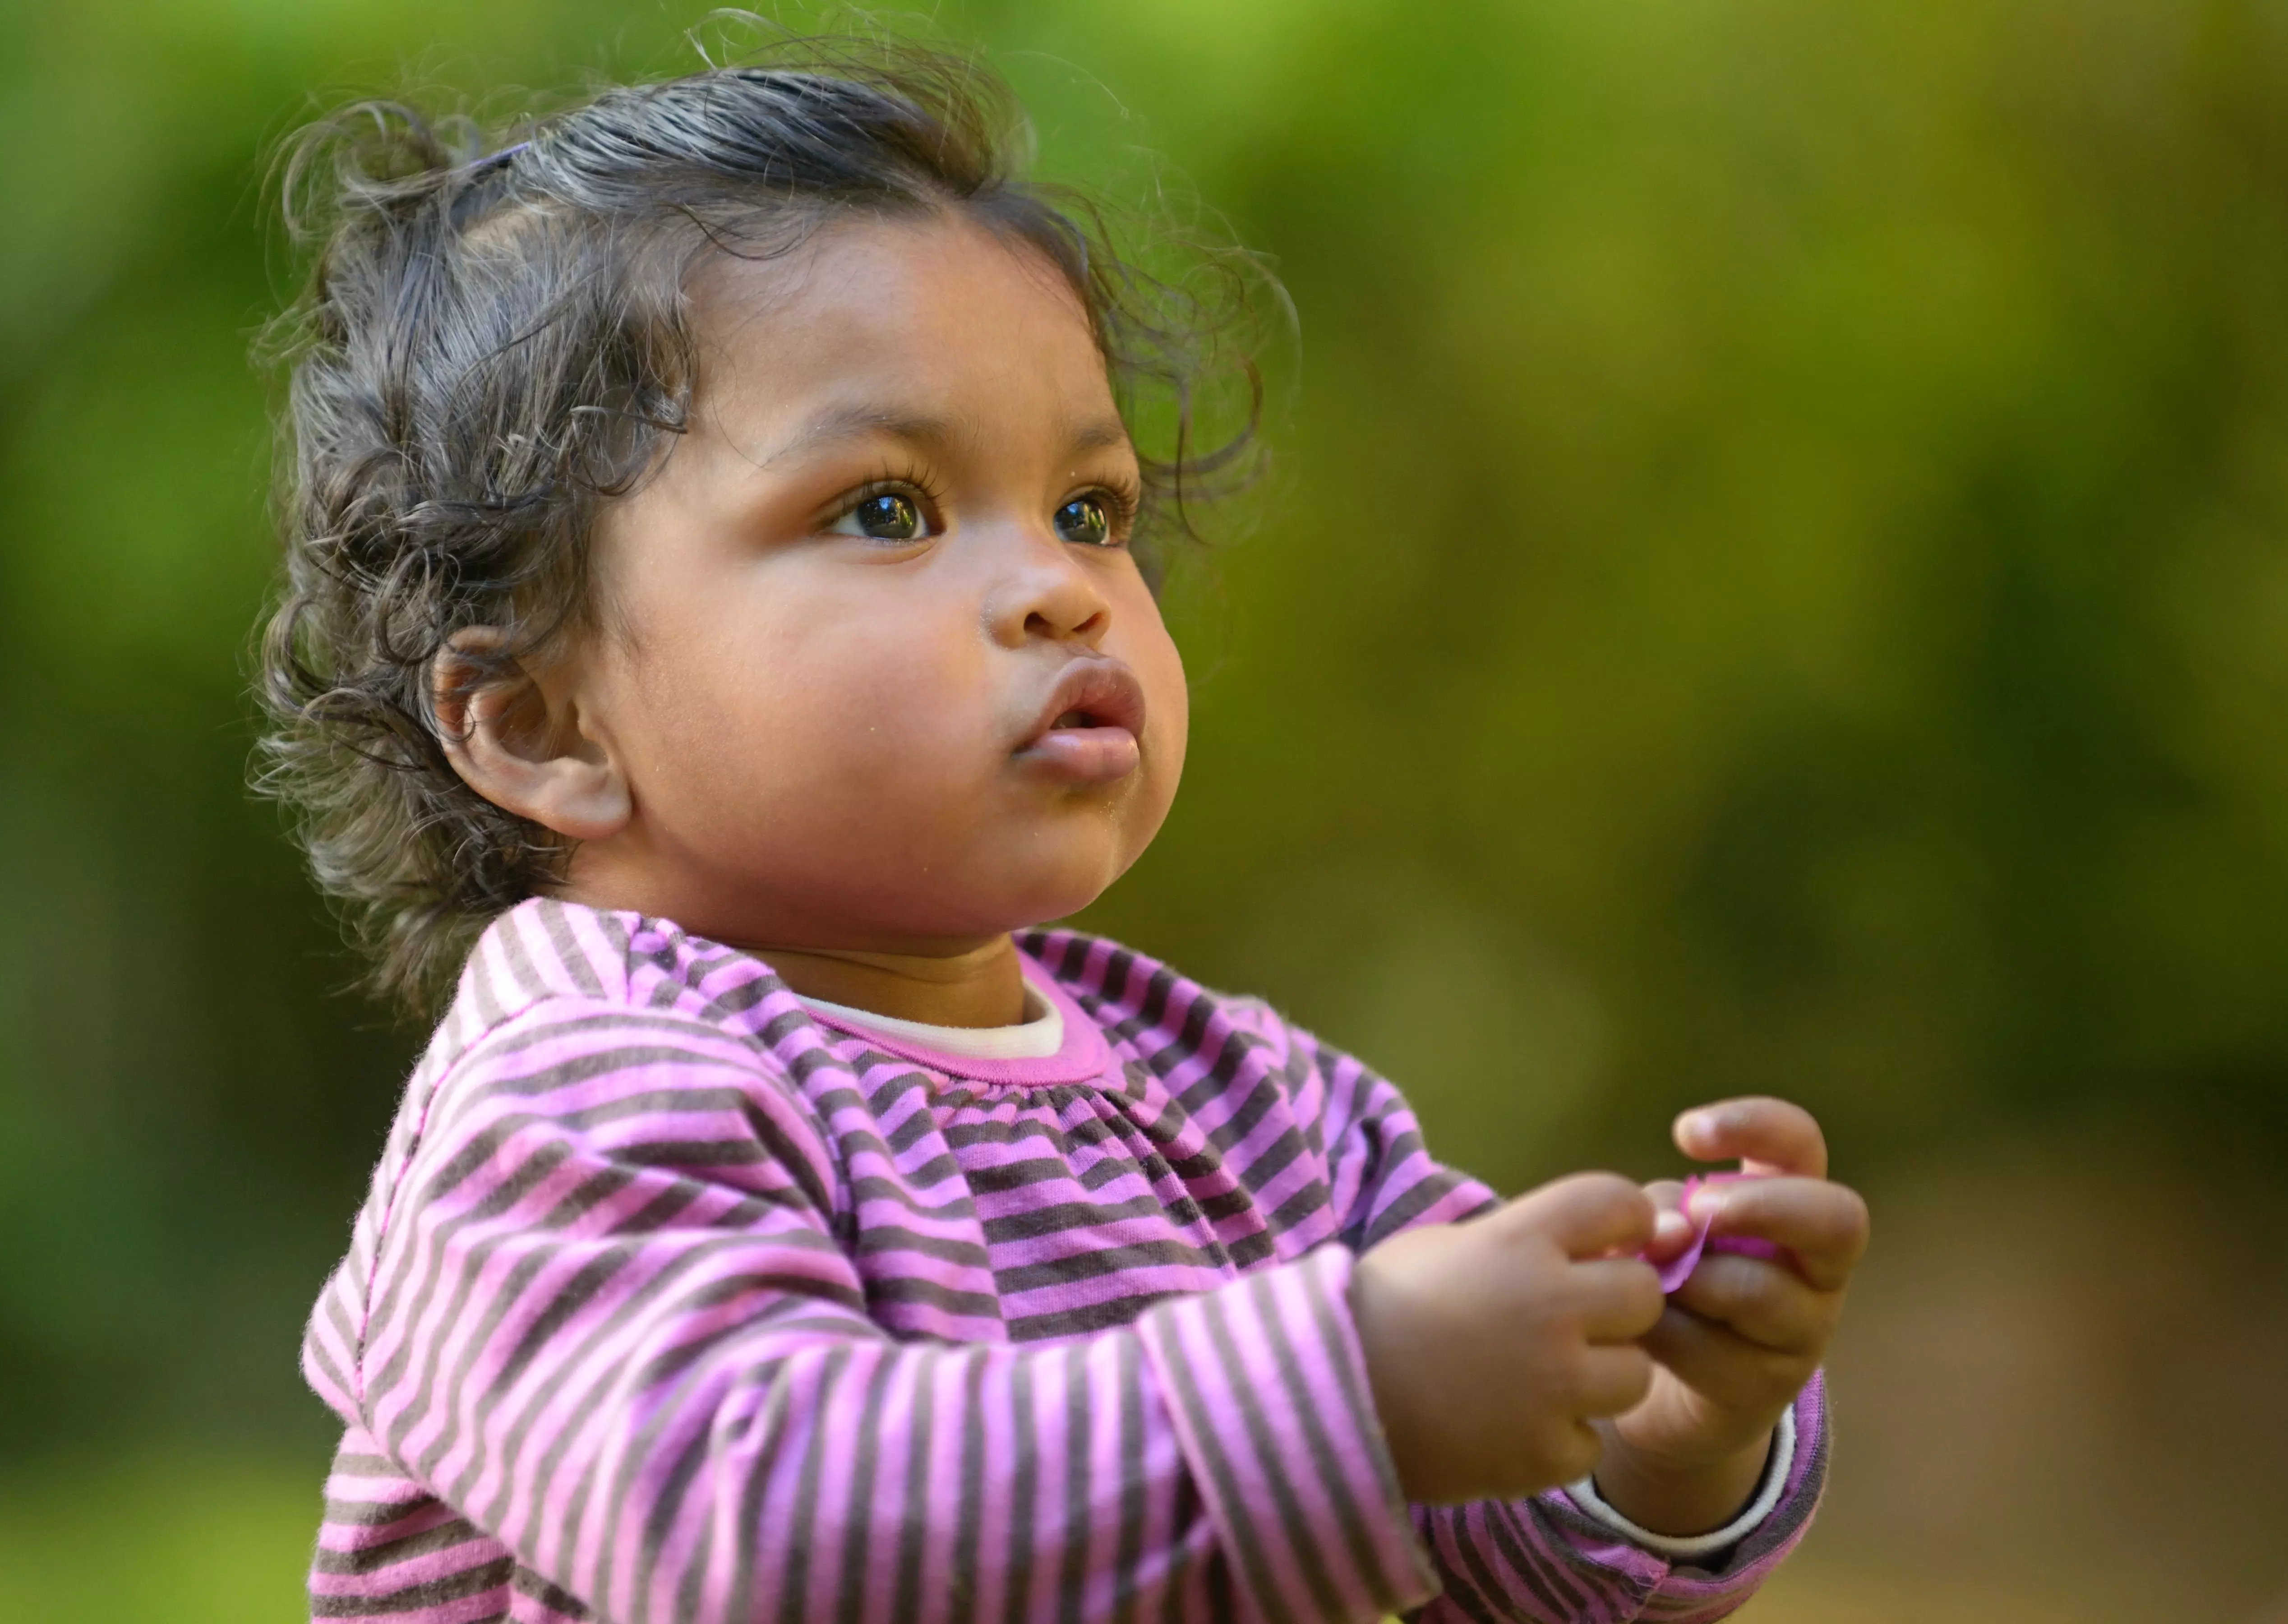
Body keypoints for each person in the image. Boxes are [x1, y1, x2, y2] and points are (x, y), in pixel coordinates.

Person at [257, 39, 1869, 1624]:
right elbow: (749, 1530)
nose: (1061, 583)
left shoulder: (1255, 1110)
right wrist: (1355, 1395)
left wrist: (1661, 1436)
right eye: (886, 508)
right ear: (546, 724)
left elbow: (1479, 1536)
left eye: (1090, 508)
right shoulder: (579, 1098)